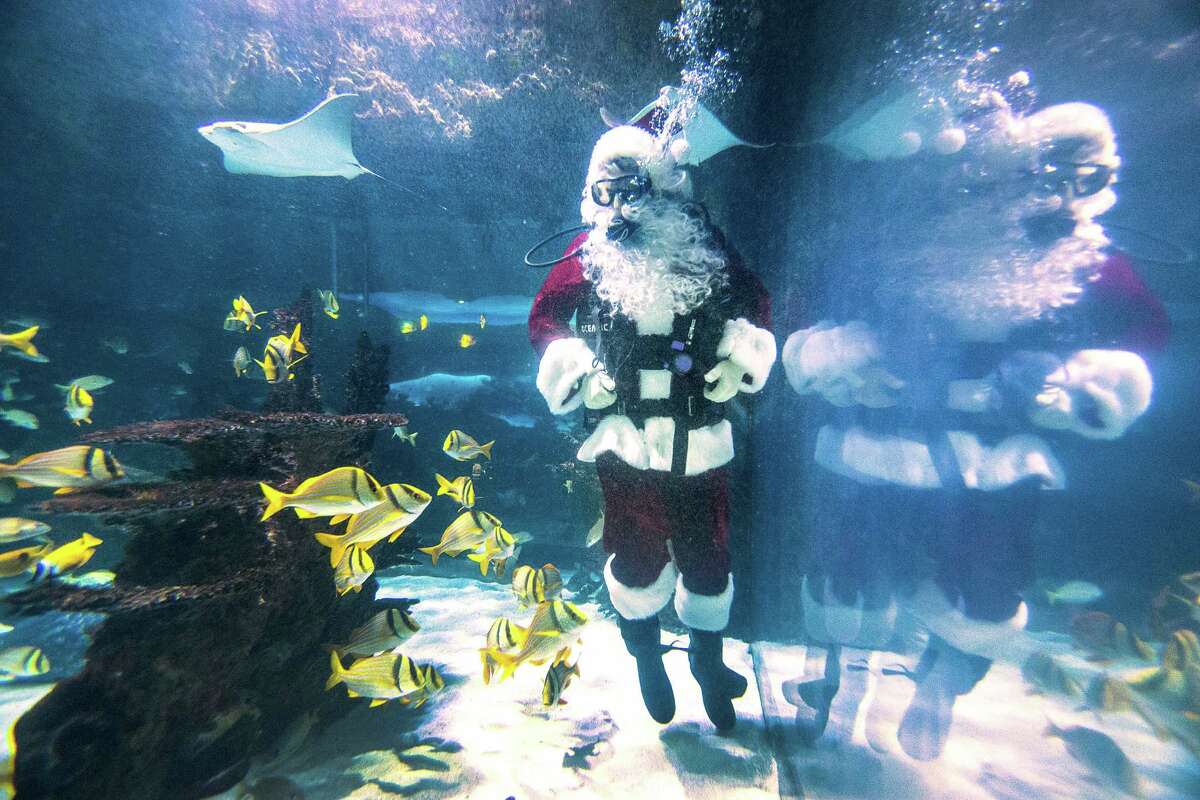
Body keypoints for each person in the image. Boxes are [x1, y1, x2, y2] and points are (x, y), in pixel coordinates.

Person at [780, 95, 1168, 759]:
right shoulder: (909, 235)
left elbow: (1142, 339)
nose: (1062, 198)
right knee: (850, 568)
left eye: (1090, 181)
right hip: (885, 438)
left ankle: (942, 680)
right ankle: (842, 676)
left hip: (994, 454)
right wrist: (850, 349)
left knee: (984, 585)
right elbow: (814, 304)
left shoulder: (1089, 255)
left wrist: (1072, 380)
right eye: (1045, 179)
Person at [528, 122, 776, 732]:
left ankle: (706, 658)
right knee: (633, 555)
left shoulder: (704, 243)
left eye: (638, 191)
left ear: (669, 190)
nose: (626, 209)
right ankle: (645, 655)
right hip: (625, 436)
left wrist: (740, 357)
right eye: (610, 193)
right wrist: (578, 370)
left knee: (709, 556)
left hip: (700, 433)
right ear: (595, 194)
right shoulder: (587, 255)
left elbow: (753, 299)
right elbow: (545, 319)